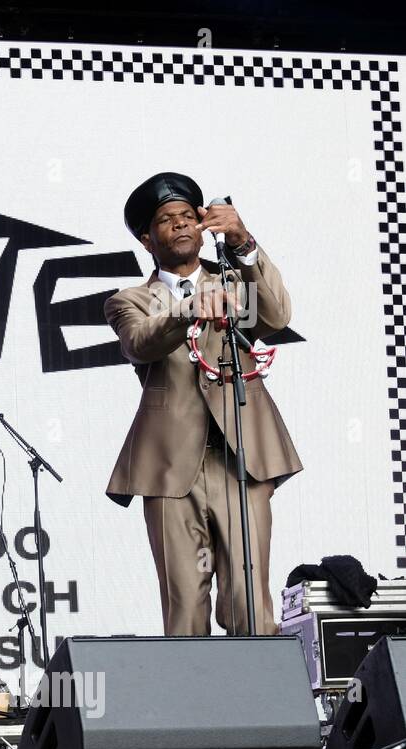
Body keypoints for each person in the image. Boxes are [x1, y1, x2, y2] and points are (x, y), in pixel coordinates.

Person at [105, 172, 302, 635]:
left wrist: (242, 240)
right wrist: (187, 308)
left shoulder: (233, 280)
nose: (179, 224)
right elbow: (140, 342)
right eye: (165, 220)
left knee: (249, 603)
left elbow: (276, 316)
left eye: (187, 216)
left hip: (242, 457)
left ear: (202, 223)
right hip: (172, 467)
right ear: (146, 239)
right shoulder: (129, 300)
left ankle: (259, 704)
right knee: (184, 608)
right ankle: (191, 705)